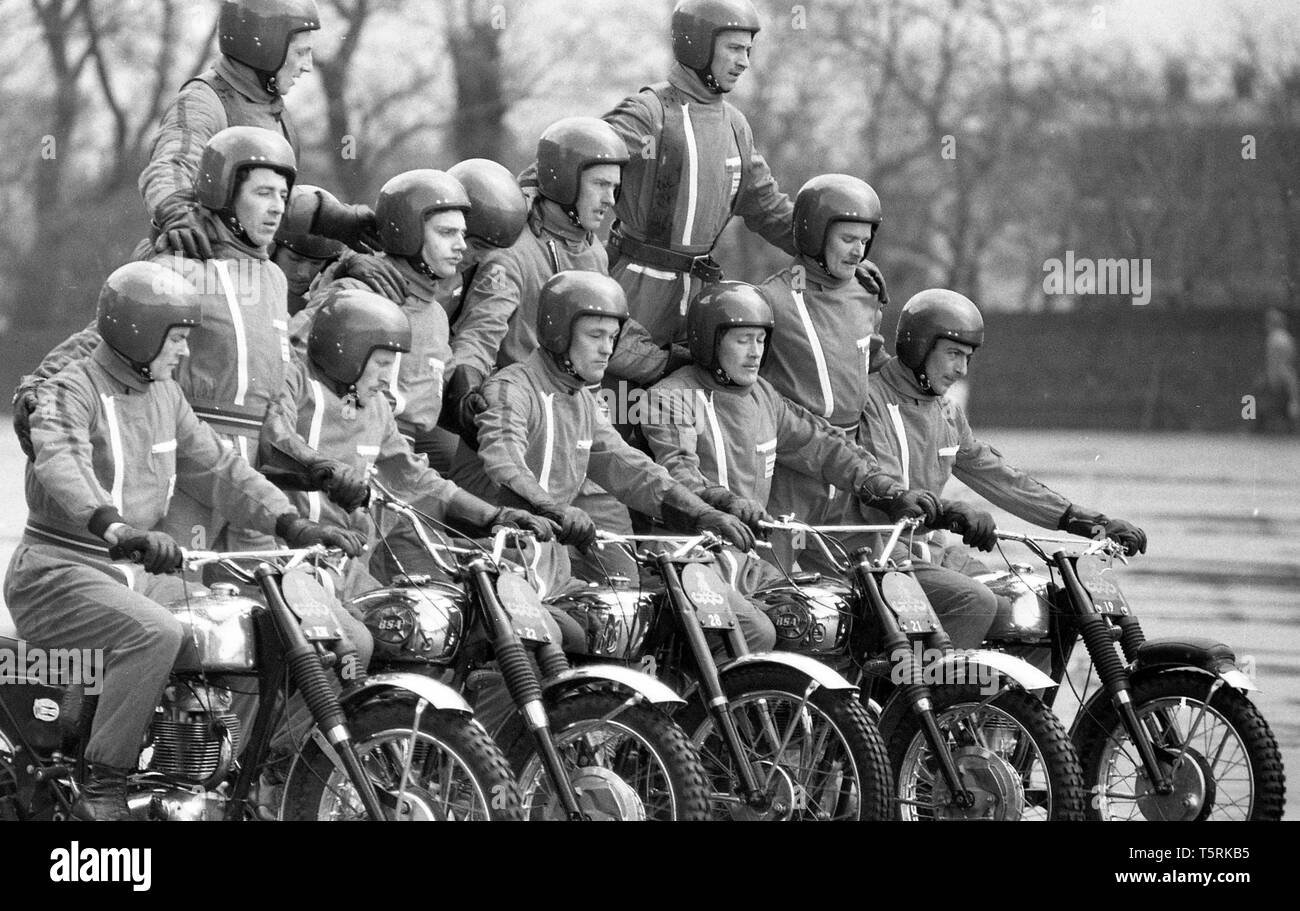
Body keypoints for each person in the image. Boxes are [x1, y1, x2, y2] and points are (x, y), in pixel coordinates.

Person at [3, 262, 361, 820]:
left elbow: (219, 467)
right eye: (175, 339)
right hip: (58, 572)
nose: (182, 353)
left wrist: (292, 524)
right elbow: (61, 460)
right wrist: (115, 527)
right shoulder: (68, 390)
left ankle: (222, 777)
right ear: (139, 334)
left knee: (253, 629)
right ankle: (102, 791)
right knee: (155, 634)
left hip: (133, 575)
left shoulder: (165, 394)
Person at [13, 127, 369, 550]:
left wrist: (311, 463)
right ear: (225, 193)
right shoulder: (183, 262)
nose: (276, 209)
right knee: (182, 596)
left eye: (282, 196)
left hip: (251, 478)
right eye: (262, 194)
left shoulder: (273, 278)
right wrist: (39, 384)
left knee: (268, 599)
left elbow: (273, 394)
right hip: (188, 467)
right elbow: (109, 334)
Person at [448, 271, 770, 652]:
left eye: (612, 338)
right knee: (553, 653)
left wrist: (702, 513)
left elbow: (630, 467)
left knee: (627, 632)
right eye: (594, 336)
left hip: (548, 578)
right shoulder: (512, 388)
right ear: (558, 334)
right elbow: (504, 464)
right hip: (490, 570)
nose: (607, 349)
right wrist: (552, 509)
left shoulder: (584, 400)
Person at [853, 289, 1147, 649]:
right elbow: (886, 488)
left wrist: (1084, 521)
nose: (961, 369)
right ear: (919, 347)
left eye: (968, 358)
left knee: (1034, 602)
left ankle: (1012, 704)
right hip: (886, 554)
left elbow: (1001, 478)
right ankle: (934, 698)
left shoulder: (946, 412)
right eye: (953, 354)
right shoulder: (871, 400)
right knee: (975, 602)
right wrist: (949, 512)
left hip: (937, 553)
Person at [598, 0, 886, 348]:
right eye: (734, 48)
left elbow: (769, 209)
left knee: (692, 400)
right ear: (698, 45)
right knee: (619, 394)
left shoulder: (735, 126)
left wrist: (836, 254)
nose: (744, 62)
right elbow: (574, 161)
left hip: (701, 301)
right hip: (634, 289)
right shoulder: (650, 113)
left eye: (748, 50)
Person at [641, 281, 935, 600]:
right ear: (708, 342)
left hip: (744, 559)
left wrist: (885, 491)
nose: (755, 353)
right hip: (686, 554)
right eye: (743, 341)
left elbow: (823, 445)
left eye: (761, 340)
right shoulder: (670, 398)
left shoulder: (764, 397)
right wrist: (727, 502)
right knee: (771, 628)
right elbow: (679, 473)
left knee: (831, 612)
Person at [264, 287, 556, 594]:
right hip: (284, 554)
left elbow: (416, 479)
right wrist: (322, 467)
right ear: (347, 352)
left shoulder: (372, 406)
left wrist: (493, 515)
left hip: (342, 564)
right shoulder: (295, 379)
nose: (386, 379)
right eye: (381, 363)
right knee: (361, 641)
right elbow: (275, 438)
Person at [138, 0, 404, 301]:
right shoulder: (204, 101)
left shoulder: (275, 111)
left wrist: (332, 218)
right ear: (266, 46)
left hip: (245, 276)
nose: (307, 66)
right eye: (301, 52)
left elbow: (258, 199)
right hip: (187, 275)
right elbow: (171, 163)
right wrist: (178, 211)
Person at [757, 174, 888, 572]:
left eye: (864, 241)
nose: (858, 251)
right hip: (791, 471)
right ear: (814, 235)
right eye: (848, 239)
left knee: (878, 592)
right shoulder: (770, 299)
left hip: (849, 471)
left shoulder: (867, 294)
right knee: (771, 587)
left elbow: (873, 362)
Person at [272, 184, 346, 315]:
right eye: (295, 259)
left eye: (316, 263)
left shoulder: (331, 302)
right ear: (271, 251)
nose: (303, 273)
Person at [1260, 307, 1299, 433]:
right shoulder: (1287, 337)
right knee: (1289, 403)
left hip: (1279, 376)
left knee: (1272, 405)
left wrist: (1272, 379)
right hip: (1289, 375)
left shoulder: (1274, 338)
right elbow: (1291, 358)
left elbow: (1274, 362)